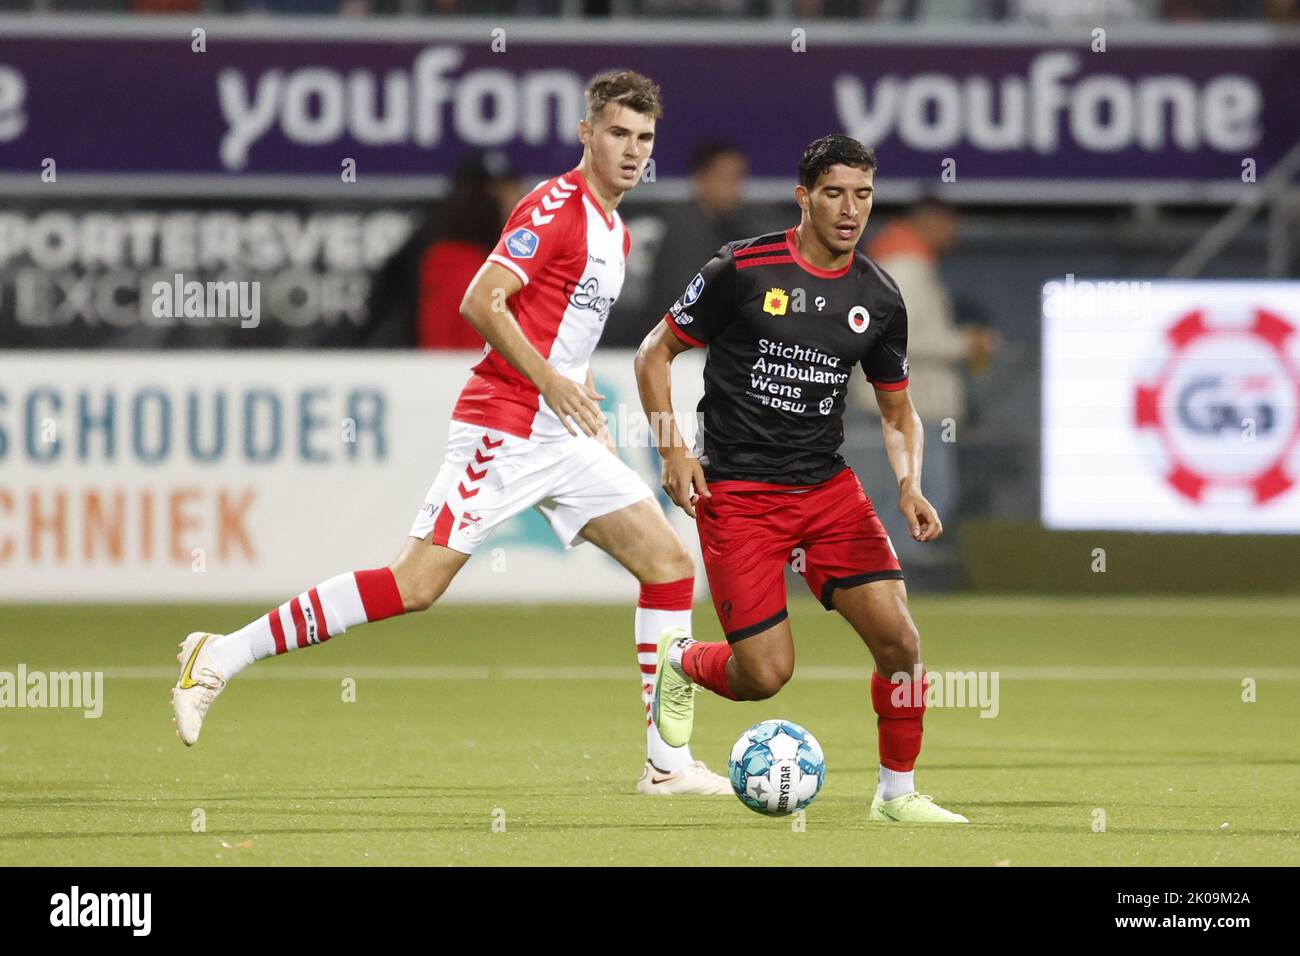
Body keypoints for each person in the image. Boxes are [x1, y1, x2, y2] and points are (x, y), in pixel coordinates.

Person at [171, 70, 730, 797]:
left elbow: (553, 327)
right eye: (617, 133)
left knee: (667, 564)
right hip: (503, 428)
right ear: (587, 134)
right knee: (414, 585)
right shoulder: (554, 206)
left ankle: (667, 765)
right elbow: (481, 298)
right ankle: (221, 653)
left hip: (559, 437)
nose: (631, 150)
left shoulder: (615, 231)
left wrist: (572, 378)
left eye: (644, 138)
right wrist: (551, 380)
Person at [633, 134, 968, 823]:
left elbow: (898, 411)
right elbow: (653, 353)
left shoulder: (877, 296)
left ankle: (896, 796)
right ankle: (682, 663)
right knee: (764, 676)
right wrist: (673, 451)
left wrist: (908, 483)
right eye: (836, 193)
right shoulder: (743, 269)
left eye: (864, 195)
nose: (851, 210)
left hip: (826, 493)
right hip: (741, 495)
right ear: (804, 197)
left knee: (901, 643)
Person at [417, 151, 525, 350]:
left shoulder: (514, 259)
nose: (515, 200)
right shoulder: (453, 263)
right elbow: (442, 348)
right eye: (502, 193)